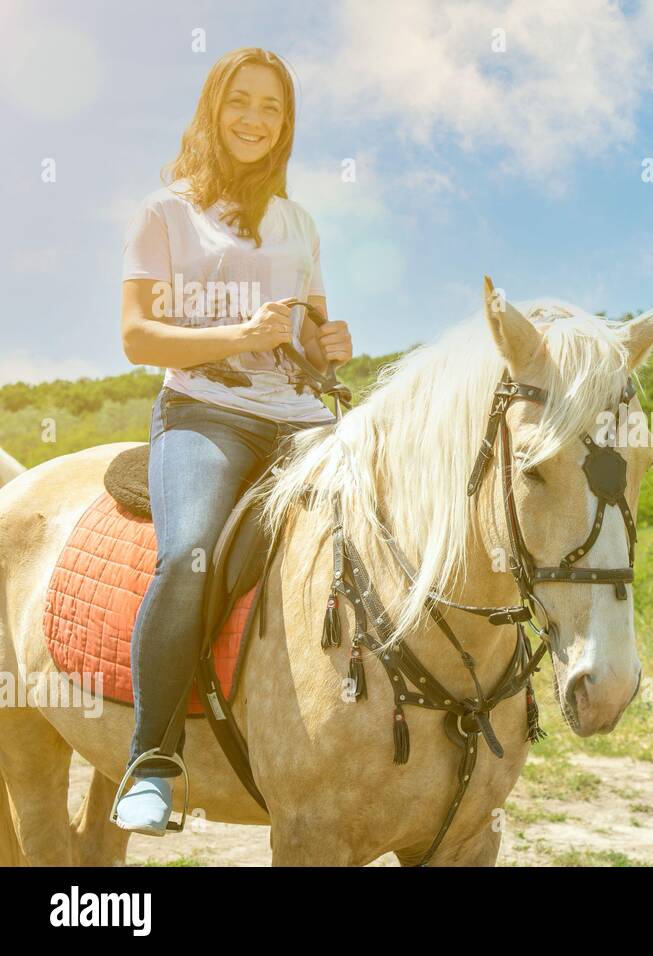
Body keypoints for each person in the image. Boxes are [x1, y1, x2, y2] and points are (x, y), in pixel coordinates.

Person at [114, 47, 352, 835]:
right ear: (213, 110)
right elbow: (138, 339)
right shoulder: (164, 214)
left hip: (303, 418)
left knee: (383, 532)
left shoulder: (299, 222)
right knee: (187, 554)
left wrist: (329, 345)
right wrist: (229, 335)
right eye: (240, 103)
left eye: (272, 108)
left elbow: (309, 339)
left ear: (286, 126)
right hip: (204, 413)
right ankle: (153, 759)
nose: (255, 119)